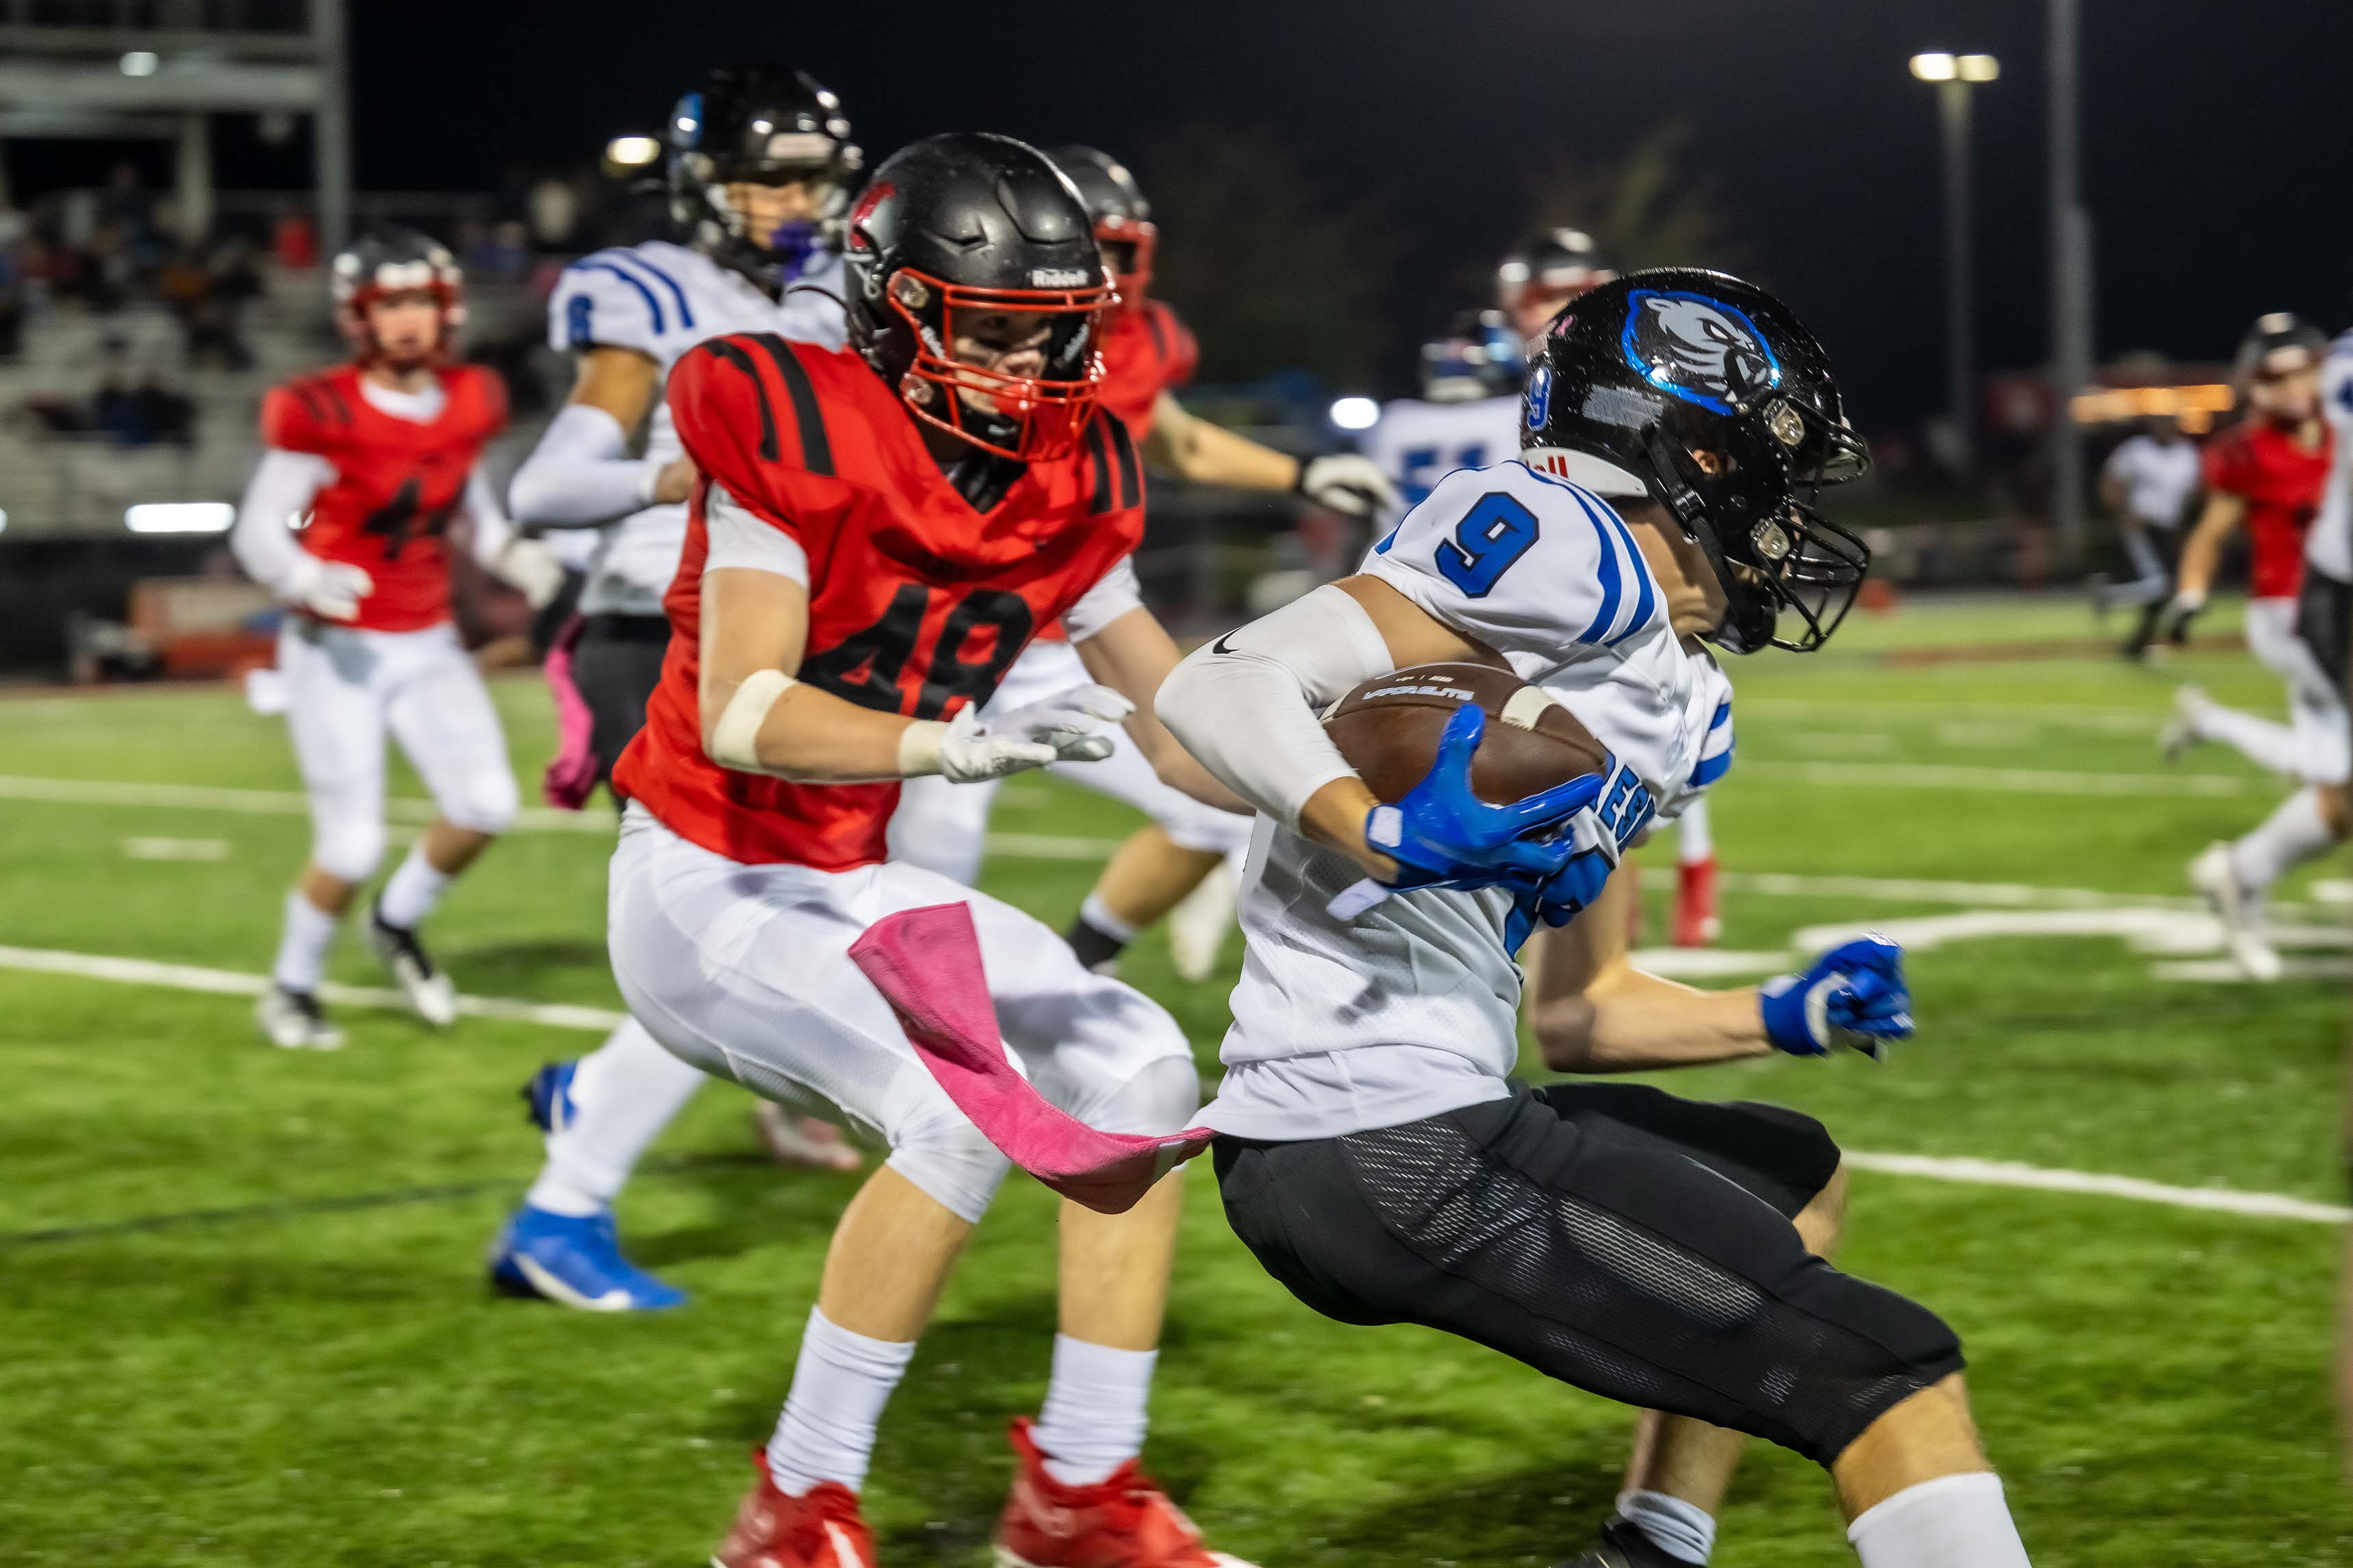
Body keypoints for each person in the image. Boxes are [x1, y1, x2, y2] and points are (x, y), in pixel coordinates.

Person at [921, 270, 2033, 1567]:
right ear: (1679, 451)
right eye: (1761, 473)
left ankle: (1654, 1542)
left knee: (1789, 1172)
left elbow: (1580, 1011)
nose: (1781, 520)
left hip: (1404, 1123)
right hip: (1373, 1135)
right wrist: (1370, 824)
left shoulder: (1682, 698)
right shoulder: (1563, 536)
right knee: (1889, 1372)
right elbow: (1223, 687)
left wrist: (1780, 1013)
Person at [606, 131, 1256, 1568]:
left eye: (1054, 334)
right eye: (996, 332)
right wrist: (939, 746)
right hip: (703, 874)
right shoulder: (781, 417)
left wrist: (1340, 793)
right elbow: (743, 710)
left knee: (1140, 1063)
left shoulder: (1072, 465)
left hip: (849, 873)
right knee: (957, 1104)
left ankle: (1077, 1493)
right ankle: (793, 1505)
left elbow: (1168, 705)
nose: (1031, 371)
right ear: (889, 310)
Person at [487, 64, 865, 1313]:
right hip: (657, 636)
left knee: (786, 924)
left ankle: (598, 1107)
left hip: (771, 633)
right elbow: (544, 489)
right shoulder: (653, 289)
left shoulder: (830, 296)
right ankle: (564, 1202)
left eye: (809, 175)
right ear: (707, 186)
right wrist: (688, 476)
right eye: (768, 177)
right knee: (736, 937)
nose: (792, 200)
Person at [885, 143, 1396, 986]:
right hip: (939, 648)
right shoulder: (928, 361)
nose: (1102, 278)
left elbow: (1180, 442)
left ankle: (1077, 972)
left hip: (1063, 634)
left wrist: (1302, 474)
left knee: (1219, 787)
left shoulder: (1129, 365)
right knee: (923, 890)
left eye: (1117, 254)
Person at [229, 230, 565, 1050]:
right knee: (348, 843)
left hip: (426, 637)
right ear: (360, 316)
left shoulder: (468, 397)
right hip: (334, 649)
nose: (409, 320)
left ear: (445, 308)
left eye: (420, 301)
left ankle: (396, 920)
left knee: (485, 803)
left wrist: (514, 555)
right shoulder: (323, 408)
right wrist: (304, 579)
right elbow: (257, 532)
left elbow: (473, 516)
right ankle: (291, 988)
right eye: (392, 305)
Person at [2162, 314, 2343, 979]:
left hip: (2338, 611)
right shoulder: (2248, 451)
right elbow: (2210, 533)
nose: (2293, 383)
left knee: (2339, 798)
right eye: (2276, 373)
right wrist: (2189, 593)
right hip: (2294, 614)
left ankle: (2237, 873)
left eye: (2302, 367)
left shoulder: (2342, 431)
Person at [2096, 413, 2202, 658]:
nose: (2165, 427)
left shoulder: (2187, 453)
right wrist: (2125, 512)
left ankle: (2138, 639)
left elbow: (2193, 493)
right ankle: (2113, 601)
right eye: (2160, 422)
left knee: (2170, 586)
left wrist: (2186, 523)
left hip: (2170, 528)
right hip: (2142, 527)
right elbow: (2110, 483)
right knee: (2160, 585)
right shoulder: (2136, 450)